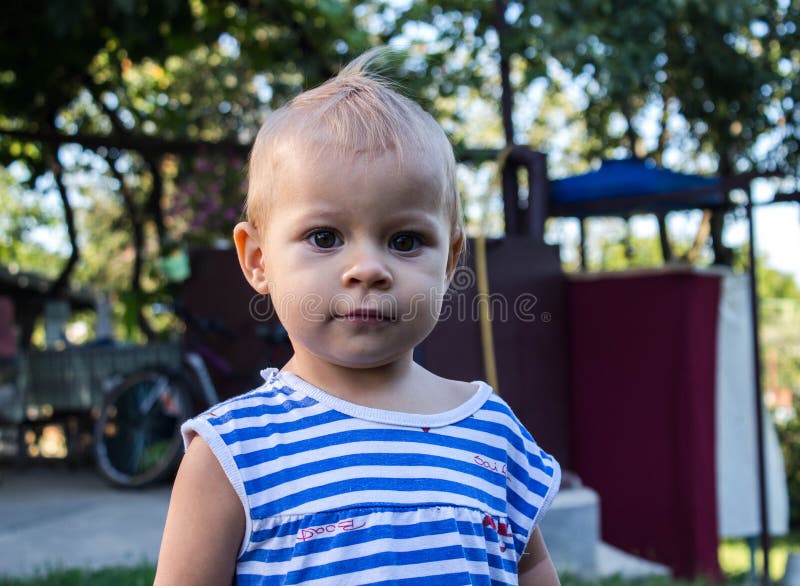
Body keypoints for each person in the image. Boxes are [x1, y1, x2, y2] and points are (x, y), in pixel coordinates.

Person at [155, 48, 561, 586]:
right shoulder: (233, 454)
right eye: (325, 237)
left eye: (405, 240)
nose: (367, 269)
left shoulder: (492, 432)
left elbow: (530, 568)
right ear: (258, 259)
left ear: (450, 260)